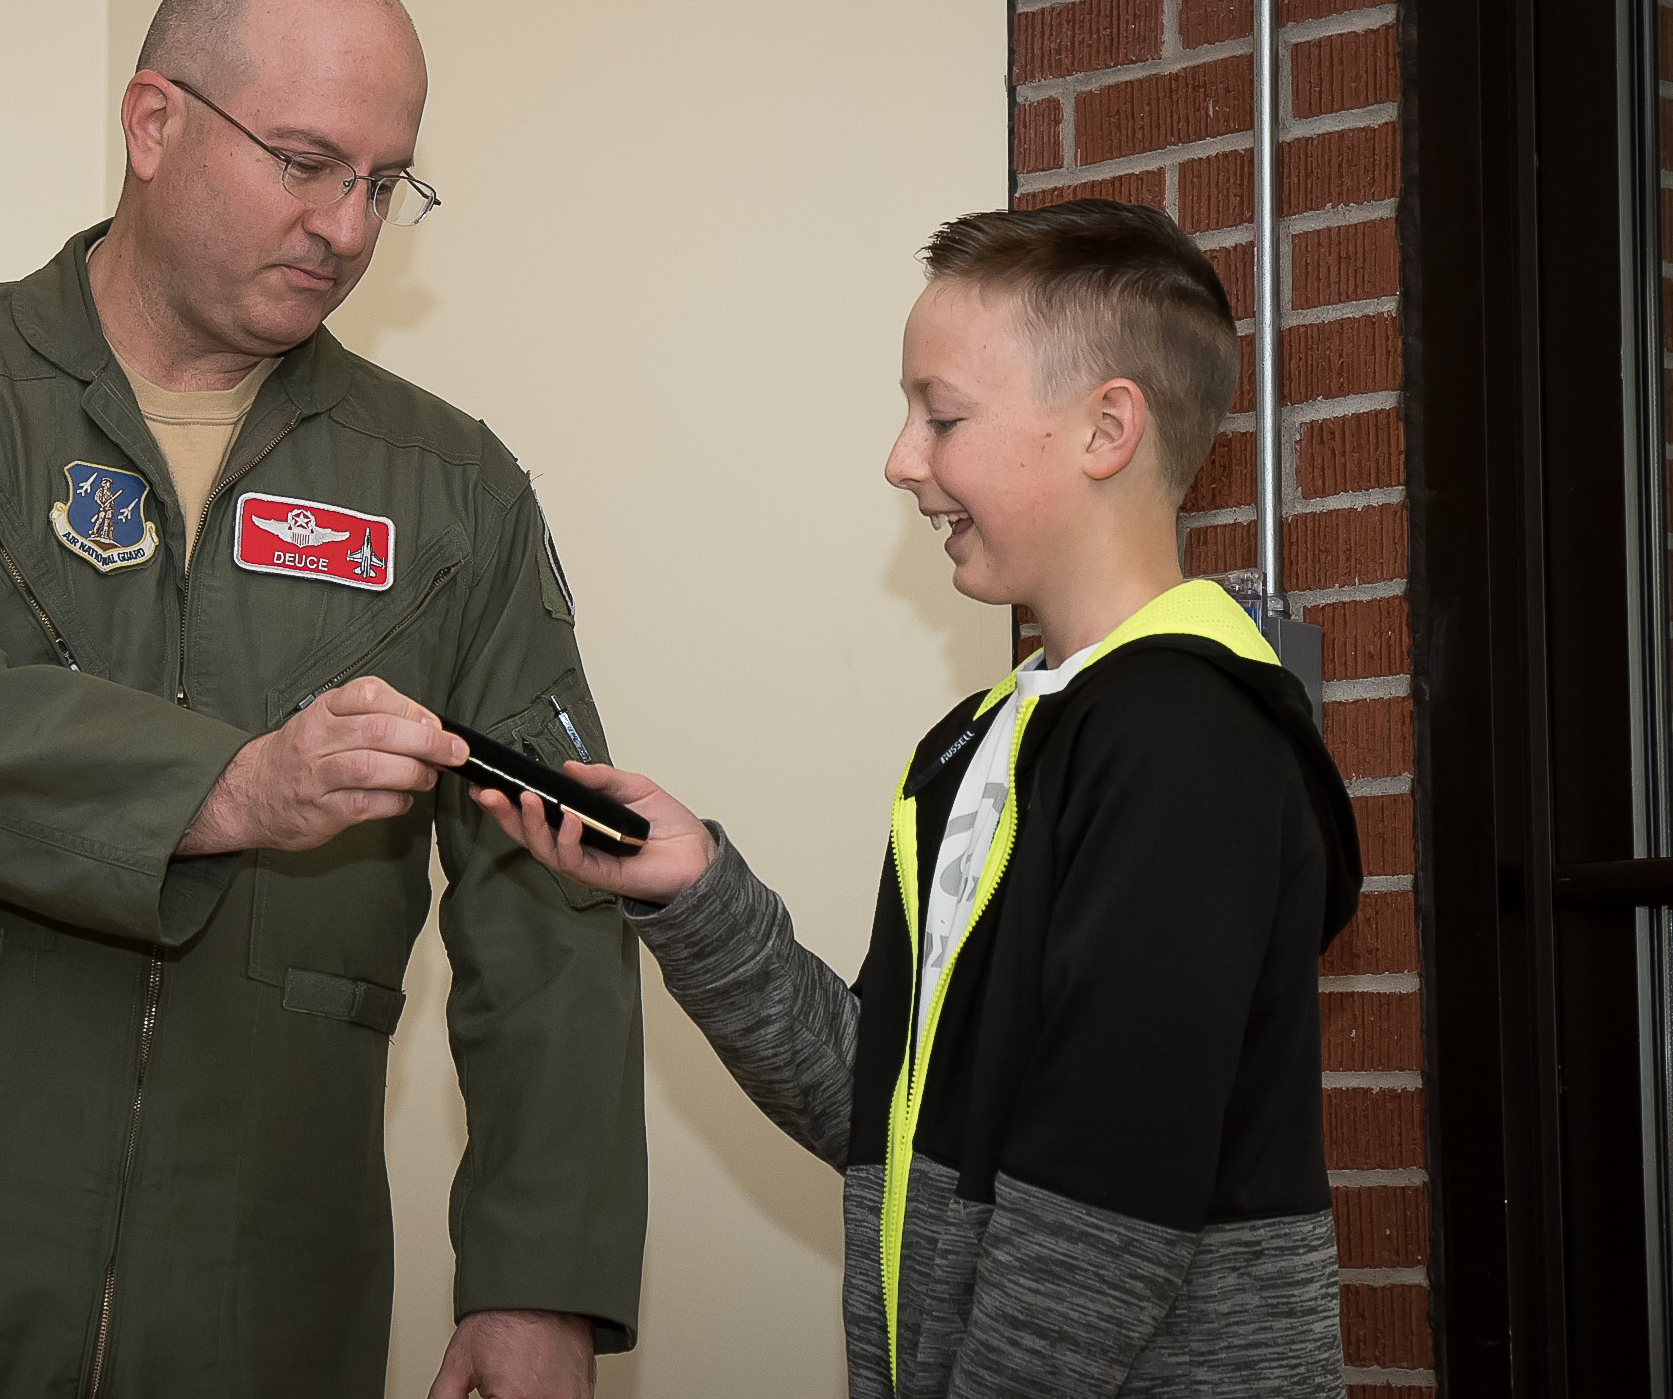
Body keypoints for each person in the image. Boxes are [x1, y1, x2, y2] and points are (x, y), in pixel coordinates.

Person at [0, 0, 643, 1399]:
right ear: (154, 122)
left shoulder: (449, 485)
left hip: (265, 1276)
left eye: (383, 184)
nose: (346, 227)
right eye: (304, 161)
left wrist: (542, 1279)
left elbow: (550, 882)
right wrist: (228, 787)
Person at [476, 200, 1361, 1397]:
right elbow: (879, 1109)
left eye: (941, 415)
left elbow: (1103, 1220)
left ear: (1108, 427)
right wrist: (694, 894)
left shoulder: (1185, 744)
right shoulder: (974, 749)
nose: (901, 458)